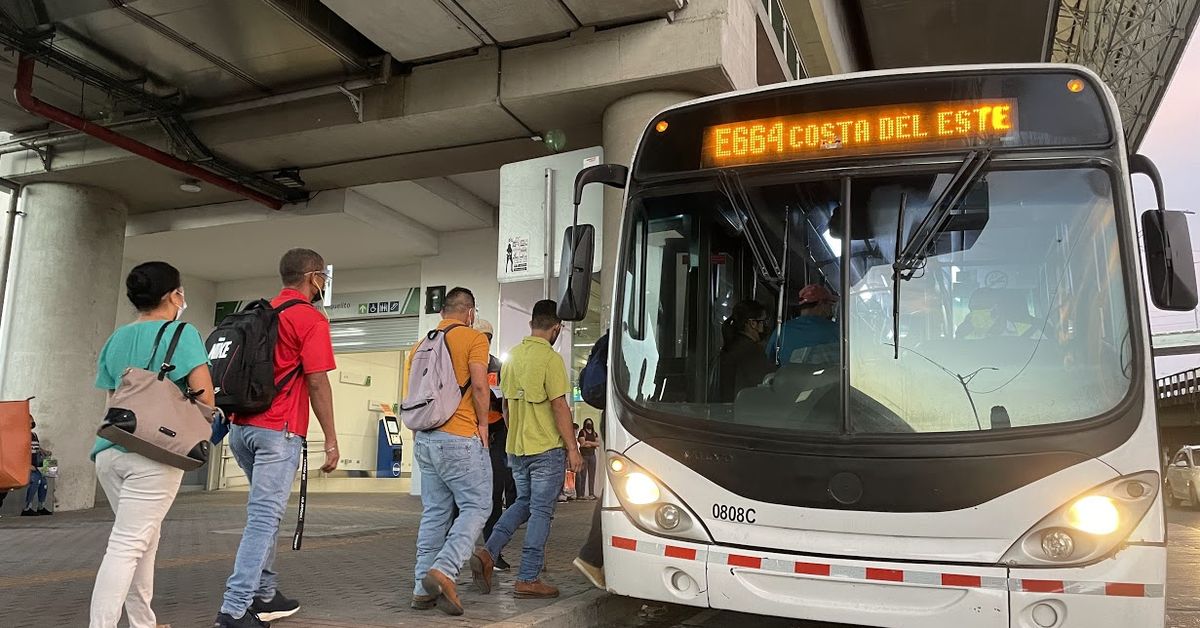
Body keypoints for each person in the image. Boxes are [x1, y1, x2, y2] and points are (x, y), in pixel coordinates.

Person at [215, 249, 339, 628]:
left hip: (240, 429)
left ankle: (266, 594)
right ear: (313, 277)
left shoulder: (259, 312)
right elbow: (317, 381)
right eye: (323, 279)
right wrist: (331, 439)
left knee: (263, 516)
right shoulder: (309, 318)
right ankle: (234, 610)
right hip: (277, 431)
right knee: (263, 520)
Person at [91, 261, 214, 628]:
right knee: (127, 546)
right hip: (156, 454)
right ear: (172, 294)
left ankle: (143, 622)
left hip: (111, 452)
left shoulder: (117, 338)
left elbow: (115, 397)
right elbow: (205, 394)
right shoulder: (183, 333)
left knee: (143, 540)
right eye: (180, 291)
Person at [471, 300, 584, 600]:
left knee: (524, 504)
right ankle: (528, 577)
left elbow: (506, 407)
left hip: (516, 448)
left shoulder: (513, 357)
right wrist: (572, 449)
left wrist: (516, 434)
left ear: (532, 323)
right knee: (541, 512)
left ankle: (488, 553)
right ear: (557, 328)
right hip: (546, 449)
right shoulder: (550, 359)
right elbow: (559, 405)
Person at [407, 287, 493, 616]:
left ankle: (421, 588)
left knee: (434, 514)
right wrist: (483, 425)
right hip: (459, 436)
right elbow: (480, 383)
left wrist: (418, 432)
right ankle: (445, 569)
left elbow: (413, 394)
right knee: (476, 506)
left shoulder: (420, 345)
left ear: (443, 312)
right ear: (470, 312)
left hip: (426, 438)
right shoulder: (474, 338)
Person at [475, 319, 517, 572]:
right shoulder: (459, 364)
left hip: (495, 438)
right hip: (467, 437)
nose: (485, 341)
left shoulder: (499, 367)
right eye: (481, 337)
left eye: (488, 337)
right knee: (460, 501)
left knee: (493, 496)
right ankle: (452, 556)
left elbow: (508, 402)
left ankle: (492, 553)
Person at [573, 332, 609, 590]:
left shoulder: (605, 342)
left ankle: (594, 556)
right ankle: (591, 556)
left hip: (612, 414)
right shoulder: (623, 338)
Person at [767, 283, 839, 365]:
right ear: (821, 303)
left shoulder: (781, 330)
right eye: (830, 304)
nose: (831, 309)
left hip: (788, 377)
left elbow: (769, 360)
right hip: (825, 377)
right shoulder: (835, 330)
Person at [717, 300, 775, 401]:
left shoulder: (733, 345)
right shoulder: (751, 352)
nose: (765, 326)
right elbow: (767, 383)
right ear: (753, 323)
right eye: (763, 321)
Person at [22, 420, 51, 516]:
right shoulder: (22, 436)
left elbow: (36, 447)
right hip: (29, 466)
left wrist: (44, 451)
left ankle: (41, 507)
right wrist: (27, 465)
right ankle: (27, 508)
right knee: (35, 481)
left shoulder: (34, 434)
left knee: (44, 483)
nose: (33, 422)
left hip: (37, 464)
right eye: (30, 421)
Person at [576, 419, 600, 500]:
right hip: (584, 456)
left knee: (592, 475)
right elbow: (582, 444)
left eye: (590, 423)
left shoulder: (594, 433)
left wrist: (588, 442)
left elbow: (598, 444)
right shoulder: (582, 432)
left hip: (592, 455)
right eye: (587, 423)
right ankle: (581, 494)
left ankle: (591, 494)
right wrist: (591, 444)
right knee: (583, 475)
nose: (589, 425)